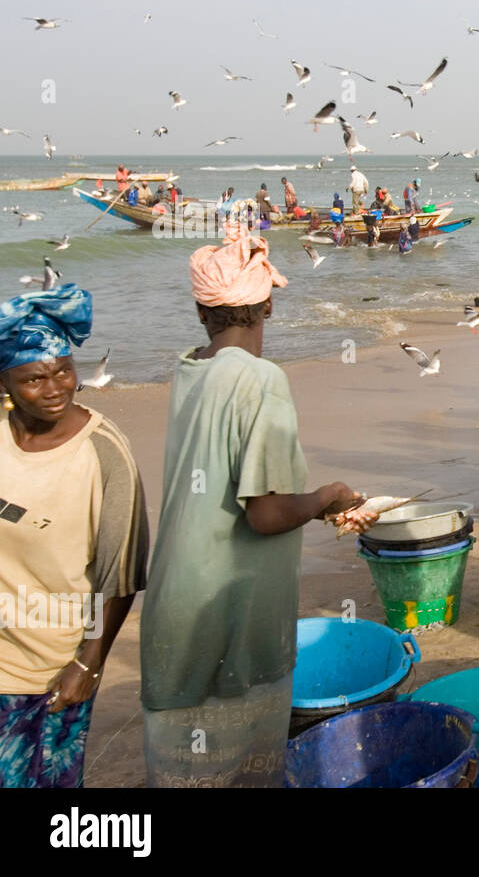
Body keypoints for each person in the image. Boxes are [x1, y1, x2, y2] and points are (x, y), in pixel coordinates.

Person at [140, 222, 378, 787]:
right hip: (230, 615)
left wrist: (314, 507)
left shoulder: (191, 369)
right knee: (238, 769)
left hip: (175, 604)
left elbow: (230, 485)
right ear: (268, 306)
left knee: (181, 766)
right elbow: (265, 514)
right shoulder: (260, 380)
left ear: (202, 312)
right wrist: (329, 496)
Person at [0, 284, 148, 787]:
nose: (55, 387)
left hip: (47, 669)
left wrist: (89, 664)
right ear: (6, 382)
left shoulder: (103, 454)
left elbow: (120, 575)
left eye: (64, 370)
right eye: (35, 379)